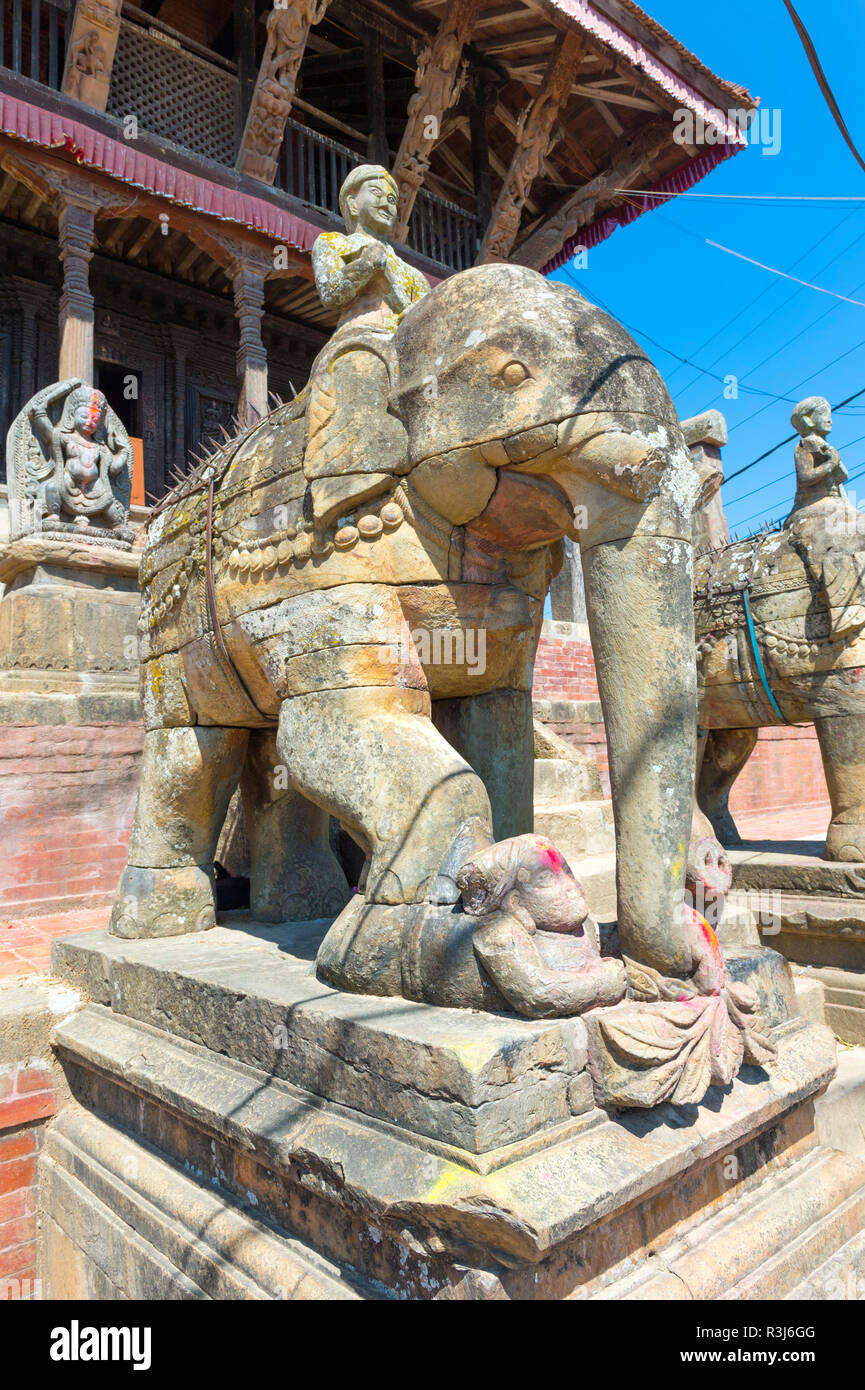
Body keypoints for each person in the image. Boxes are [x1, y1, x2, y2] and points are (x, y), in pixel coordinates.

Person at [304, 166, 431, 526]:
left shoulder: (412, 273)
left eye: (393, 199)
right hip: (358, 339)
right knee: (358, 372)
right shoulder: (334, 244)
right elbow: (331, 293)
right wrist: (366, 264)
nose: (387, 203)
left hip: (404, 350)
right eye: (376, 193)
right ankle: (337, 482)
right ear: (351, 201)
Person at [786, 396, 865, 640]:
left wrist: (834, 460)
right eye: (824, 412)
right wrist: (831, 463)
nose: (829, 418)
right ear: (809, 419)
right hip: (813, 507)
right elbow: (806, 478)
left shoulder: (825, 446)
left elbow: (843, 475)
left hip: (836, 503)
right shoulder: (804, 445)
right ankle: (844, 608)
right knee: (838, 534)